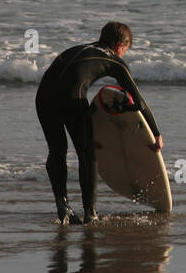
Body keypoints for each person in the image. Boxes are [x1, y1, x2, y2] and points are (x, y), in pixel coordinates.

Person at [35, 21, 164, 224]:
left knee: (57, 150)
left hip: (43, 98)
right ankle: (90, 213)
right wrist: (155, 132)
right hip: (72, 99)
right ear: (121, 46)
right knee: (87, 154)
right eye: (125, 50)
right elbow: (138, 101)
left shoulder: (77, 49)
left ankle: (63, 205)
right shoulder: (114, 60)